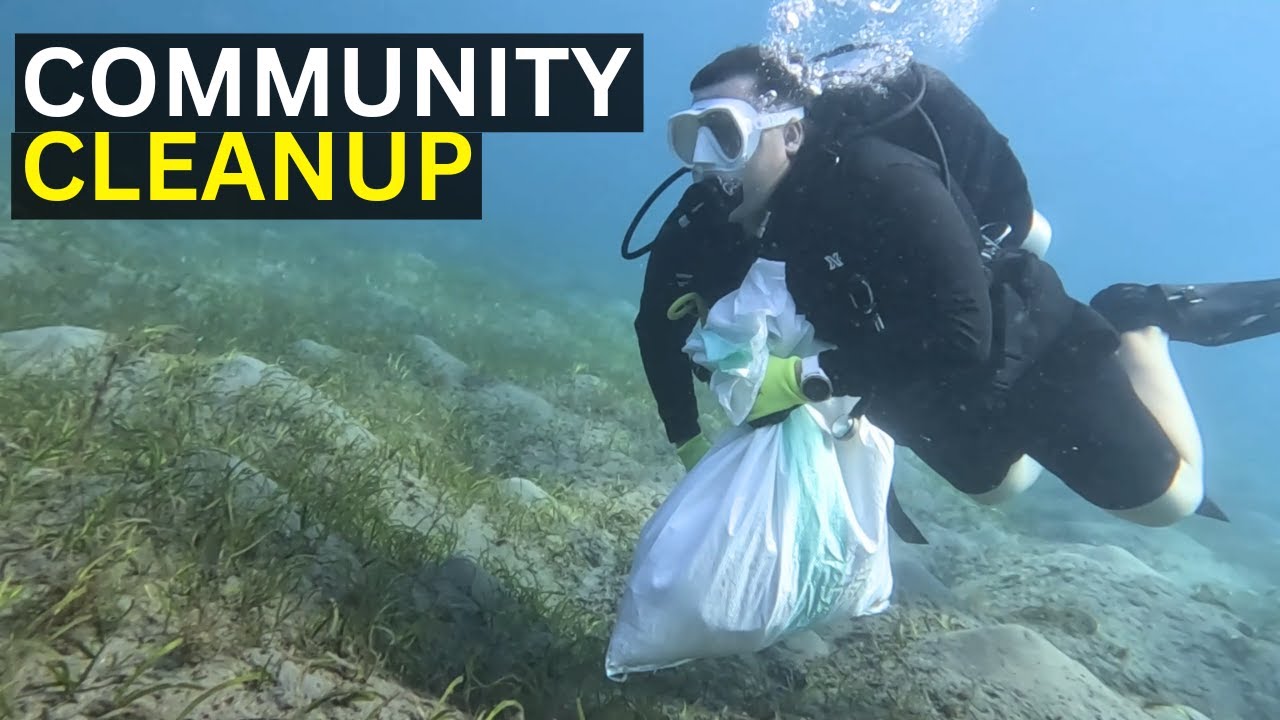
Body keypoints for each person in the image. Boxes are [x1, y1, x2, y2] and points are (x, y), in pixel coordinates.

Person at [632, 44, 1280, 530]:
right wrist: (684, 438)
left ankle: (1138, 316)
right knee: (998, 489)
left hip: (1017, 345)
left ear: (792, 131)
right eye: (691, 139)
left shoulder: (881, 177)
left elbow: (965, 333)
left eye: (726, 134)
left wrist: (808, 380)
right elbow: (654, 322)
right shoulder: (707, 215)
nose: (707, 166)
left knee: (1168, 502)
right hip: (906, 379)